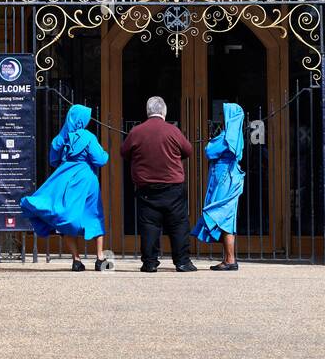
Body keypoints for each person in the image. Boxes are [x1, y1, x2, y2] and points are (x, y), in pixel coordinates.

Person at [20, 104, 111, 270]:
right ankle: (100, 259)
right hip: (86, 179)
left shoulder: (61, 138)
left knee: (67, 215)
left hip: (66, 178)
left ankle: (76, 260)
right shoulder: (88, 137)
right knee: (94, 215)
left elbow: (53, 160)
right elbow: (100, 160)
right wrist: (105, 153)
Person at [120, 95, 196, 273]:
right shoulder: (173, 130)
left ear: (148, 112)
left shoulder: (136, 131)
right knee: (178, 224)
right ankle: (182, 262)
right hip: (173, 186)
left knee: (149, 225)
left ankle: (150, 263)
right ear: (164, 111)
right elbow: (188, 150)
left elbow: (124, 152)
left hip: (146, 187)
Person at [191, 102, 245, 270]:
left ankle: (230, 259)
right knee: (226, 217)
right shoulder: (236, 134)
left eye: (225, 115)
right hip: (229, 176)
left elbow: (209, 150)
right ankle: (229, 259)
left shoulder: (227, 135)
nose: (222, 118)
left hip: (223, 178)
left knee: (222, 216)